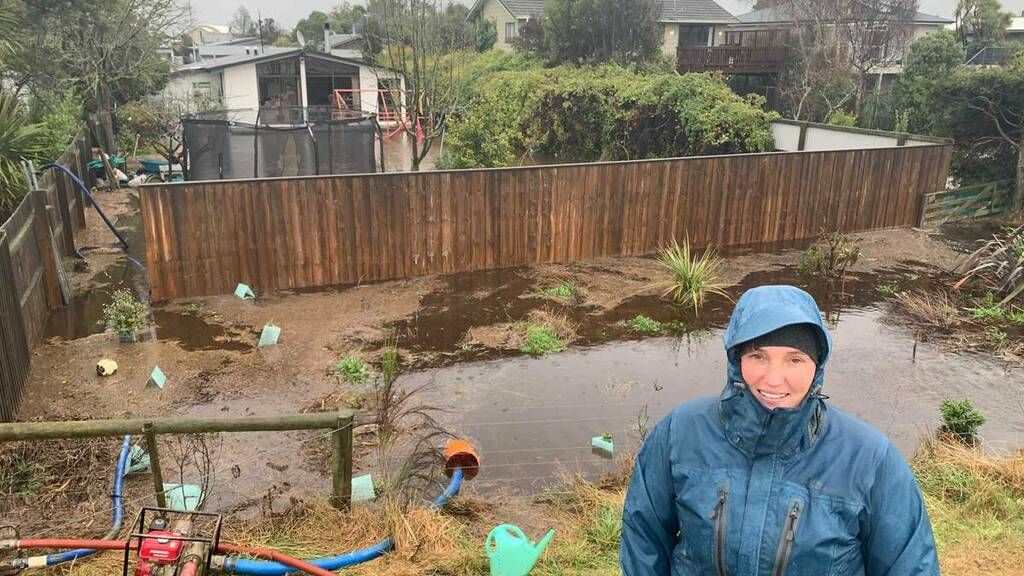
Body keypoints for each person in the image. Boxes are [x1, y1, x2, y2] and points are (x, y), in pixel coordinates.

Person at [620, 285, 938, 575]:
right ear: (736, 359)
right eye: (758, 356)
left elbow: (910, 566)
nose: (773, 379)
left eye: (795, 360)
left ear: (817, 367)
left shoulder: (869, 459)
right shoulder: (681, 432)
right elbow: (644, 537)